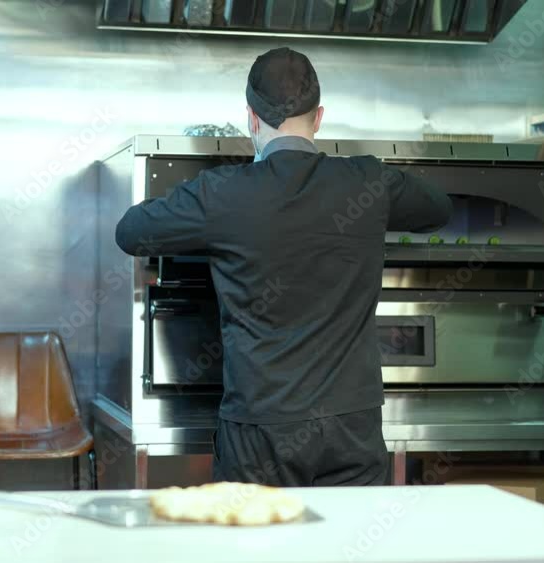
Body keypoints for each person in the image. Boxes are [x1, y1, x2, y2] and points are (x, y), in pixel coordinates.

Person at [115, 47, 452, 487]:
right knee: (348, 533)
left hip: (260, 430)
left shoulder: (222, 192)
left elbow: (131, 232)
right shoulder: (369, 181)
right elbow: (438, 208)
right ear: (319, 117)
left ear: (252, 120)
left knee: (257, 531)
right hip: (351, 426)